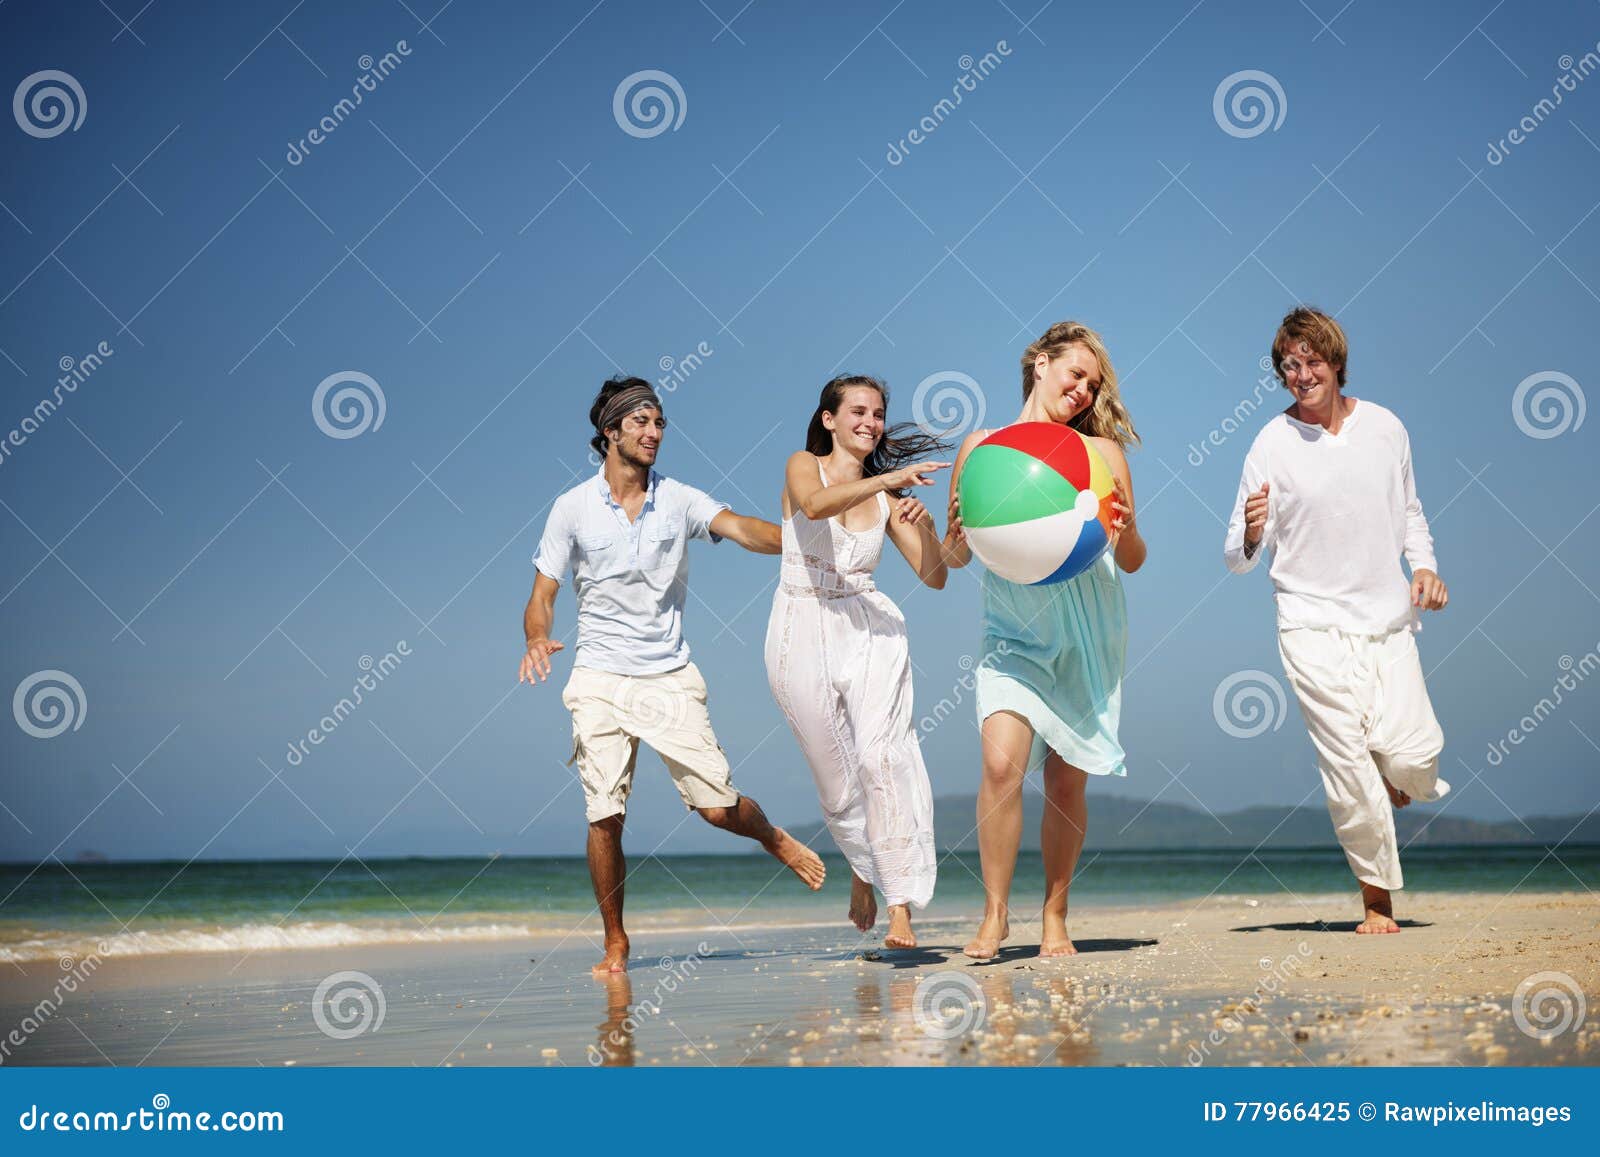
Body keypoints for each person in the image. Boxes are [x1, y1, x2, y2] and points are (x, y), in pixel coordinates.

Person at [520, 376, 826, 974]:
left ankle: (772, 837)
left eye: (659, 423)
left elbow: (740, 528)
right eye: (640, 422)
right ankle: (616, 941)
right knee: (603, 813)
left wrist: (796, 540)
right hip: (598, 677)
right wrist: (536, 635)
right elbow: (543, 591)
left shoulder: (679, 499)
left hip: (667, 675)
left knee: (714, 809)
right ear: (610, 432)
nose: (654, 433)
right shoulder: (571, 508)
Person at [1225, 307, 1449, 935]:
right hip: (1308, 623)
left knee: (1416, 759)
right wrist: (1249, 531)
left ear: (1337, 362)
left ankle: (1391, 768)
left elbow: (1410, 513)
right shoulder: (1271, 442)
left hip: (1386, 620)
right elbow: (1236, 558)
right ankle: (1376, 902)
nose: (1301, 374)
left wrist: (1425, 569)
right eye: (1289, 365)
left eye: (1311, 360)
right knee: (1346, 762)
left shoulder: (1385, 428)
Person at [942, 321, 1144, 959]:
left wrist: (1126, 529)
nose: (1083, 390)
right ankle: (996, 912)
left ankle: (1055, 913)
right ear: (1040, 364)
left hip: (1086, 628)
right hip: (1013, 630)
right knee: (1000, 765)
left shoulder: (1103, 455)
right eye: (1075, 374)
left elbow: (1133, 558)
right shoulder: (982, 447)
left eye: (1093, 383)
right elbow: (954, 560)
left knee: (1065, 785)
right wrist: (951, 536)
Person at [764, 374, 950, 948]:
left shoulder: (888, 499)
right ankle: (863, 868)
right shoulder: (803, 465)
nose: (870, 423)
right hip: (800, 626)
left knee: (882, 758)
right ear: (829, 420)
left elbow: (937, 576)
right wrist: (888, 480)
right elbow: (815, 506)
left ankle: (900, 905)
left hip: (871, 629)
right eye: (858, 412)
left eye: (878, 415)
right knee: (837, 784)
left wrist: (938, 530)